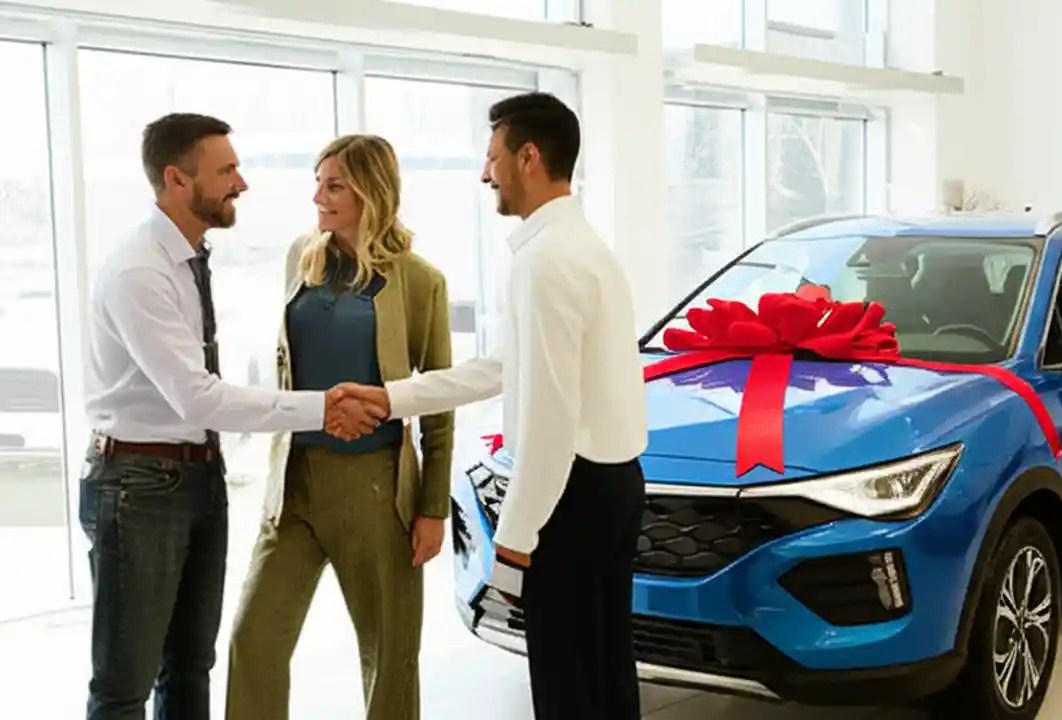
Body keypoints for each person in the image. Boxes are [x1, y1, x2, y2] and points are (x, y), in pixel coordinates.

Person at [341, 92, 648, 720]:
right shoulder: (582, 247)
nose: (486, 175)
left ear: (528, 158)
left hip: (574, 495)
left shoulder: (546, 262)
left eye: (493, 158)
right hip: (613, 485)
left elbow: (549, 418)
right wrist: (392, 397)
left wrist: (514, 539)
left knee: (568, 682)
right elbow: (504, 368)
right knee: (605, 668)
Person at [80, 113, 385, 720]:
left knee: (191, 668)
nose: (241, 183)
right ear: (175, 179)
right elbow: (199, 397)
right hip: (140, 486)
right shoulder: (140, 269)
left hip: (193, 476)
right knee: (124, 688)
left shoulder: (189, 255)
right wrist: (321, 407)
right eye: (226, 171)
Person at [224, 134, 454, 720]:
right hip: (296, 483)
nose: (318, 197)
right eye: (317, 182)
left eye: (334, 185)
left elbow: (439, 403)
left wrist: (433, 508)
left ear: (372, 192)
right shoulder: (302, 256)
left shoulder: (420, 281)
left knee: (389, 659)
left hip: (376, 492)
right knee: (254, 641)